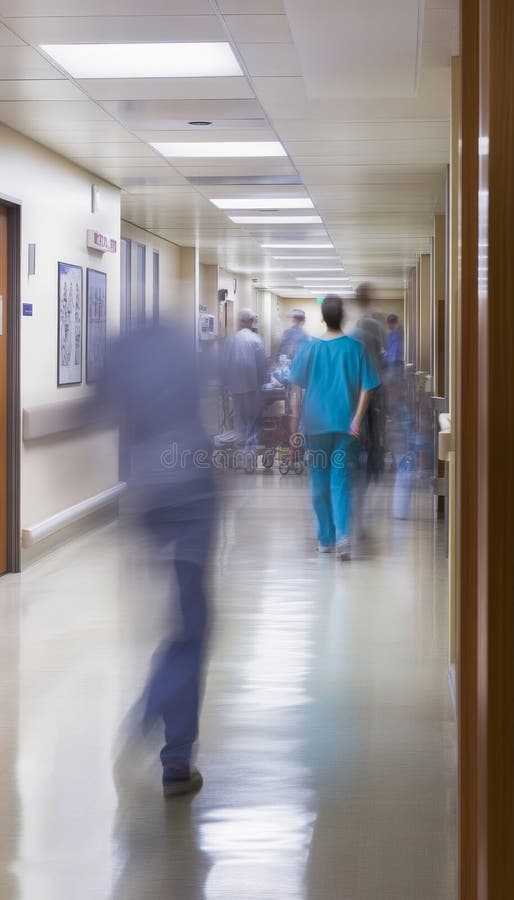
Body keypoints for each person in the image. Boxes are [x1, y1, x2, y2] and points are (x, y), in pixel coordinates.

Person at [96, 321, 218, 798]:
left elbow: (99, 412)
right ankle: (169, 743)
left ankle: (175, 750)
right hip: (191, 494)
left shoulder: (120, 353)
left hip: (149, 497)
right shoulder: (184, 351)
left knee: (181, 625)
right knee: (192, 626)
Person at [288, 295, 380, 560]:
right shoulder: (355, 348)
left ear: (322, 318)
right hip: (345, 428)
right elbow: (368, 386)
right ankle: (343, 538)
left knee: (318, 483)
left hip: (315, 427)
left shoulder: (310, 348)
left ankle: (326, 539)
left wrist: (294, 423)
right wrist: (357, 418)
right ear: (343, 317)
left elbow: (296, 387)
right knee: (341, 482)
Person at [352, 282, 386, 480]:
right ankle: (374, 462)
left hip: (365, 383)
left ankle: (369, 461)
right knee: (372, 425)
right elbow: (382, 356)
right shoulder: (374, 323)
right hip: (372, 382)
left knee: (366, 423)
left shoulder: (366, 324)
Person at [222, 308, 267, 450]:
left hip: (235, 388)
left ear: (241, 321)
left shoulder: (231, 339)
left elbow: (225, 363)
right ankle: (250, 451)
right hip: (252, 387)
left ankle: (239, 449)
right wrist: (263, 385)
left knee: (239, 419)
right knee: (252, 420)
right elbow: (262, 365)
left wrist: (226, 384)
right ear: (251, 321)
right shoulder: (255, 339)